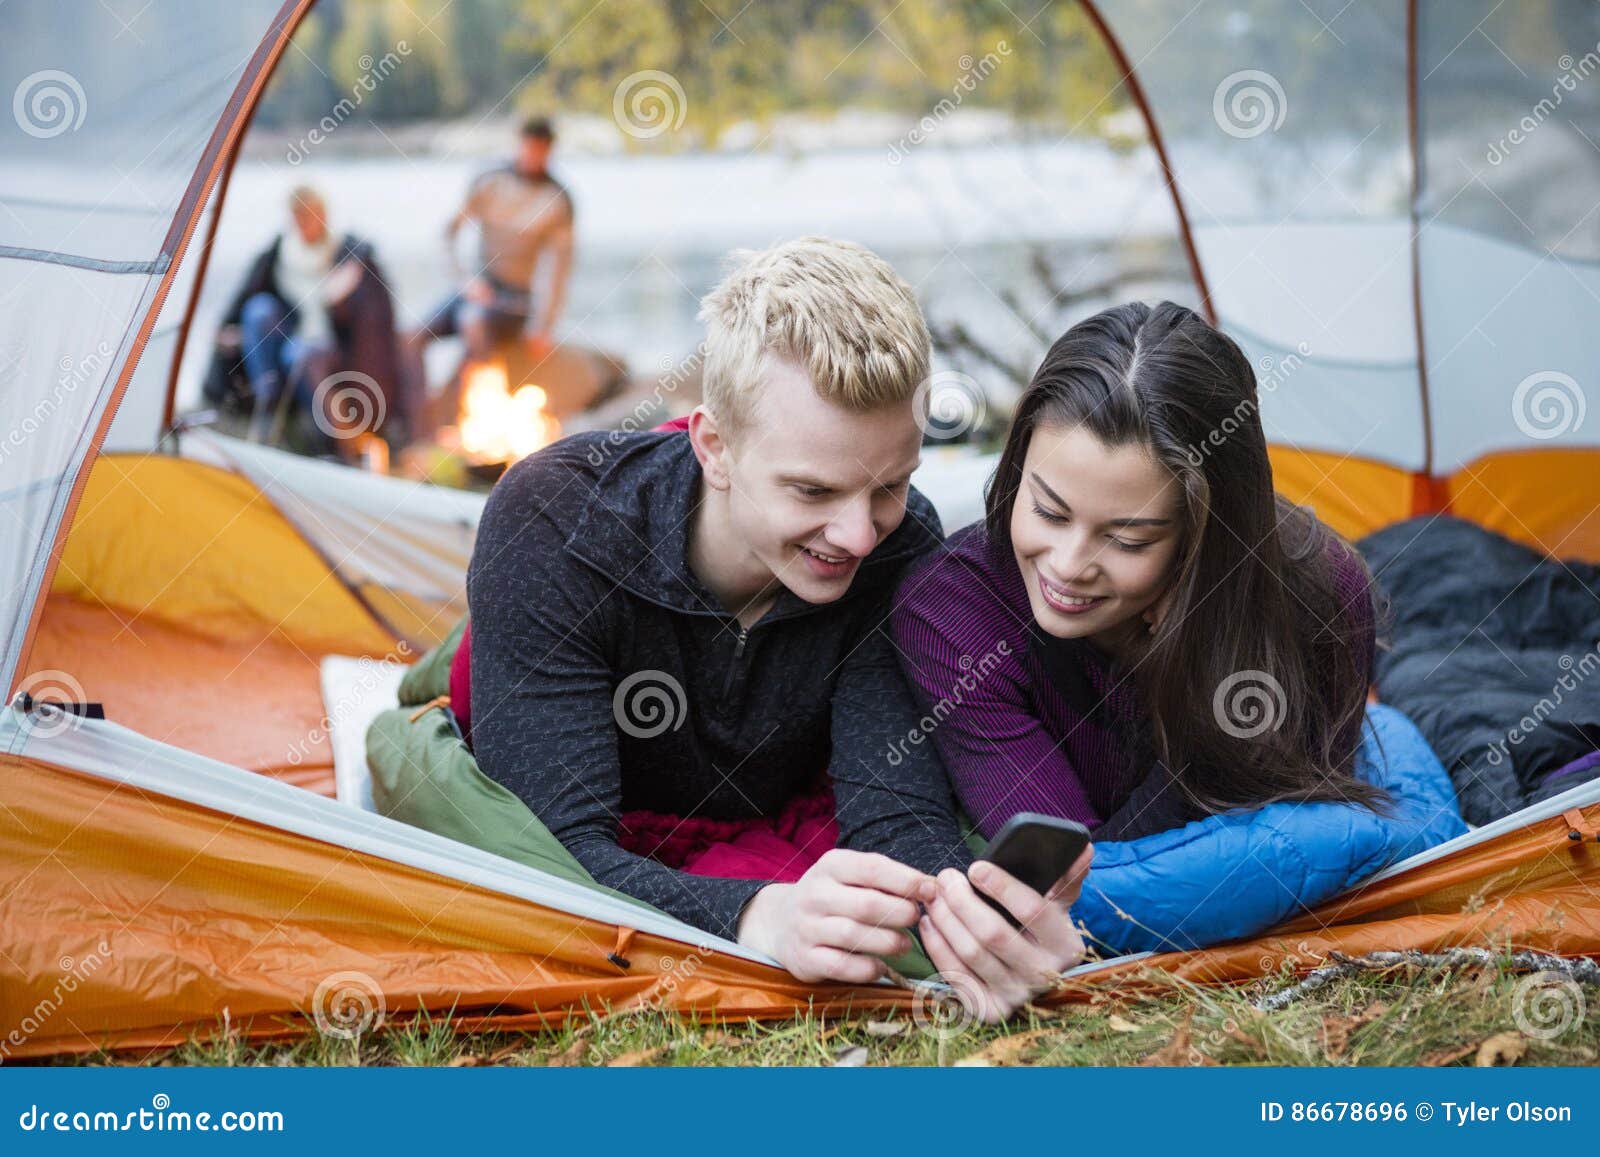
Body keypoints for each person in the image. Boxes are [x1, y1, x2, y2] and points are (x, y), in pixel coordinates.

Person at [376, 239, 1091, 1020]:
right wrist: (758, 916)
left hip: (753, 793)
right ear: (713, 446)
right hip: (526, 698)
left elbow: (893, 812)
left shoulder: (898, 545)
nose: (856, 535)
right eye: (812, 489)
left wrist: (968, 922)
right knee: (491, 843)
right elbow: (558, 849)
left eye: (889, 484)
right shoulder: (554, 517)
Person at [892, 301, 1389, 849]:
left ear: (1203, 538)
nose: (1068, 564)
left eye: (1128, 540)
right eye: (1048, 512)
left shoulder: (1323, 595)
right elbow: (1073, 874)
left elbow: (1306, 841)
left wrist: (1203, 631)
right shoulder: (951, 609)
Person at [202, 186, 402, 450]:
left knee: (303, 356)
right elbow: (246, 297)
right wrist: (229, 330)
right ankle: (268, 408)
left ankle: (337, 442)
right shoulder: (280, 253)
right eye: (299, 217)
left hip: (334, 346)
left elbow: (373, 322)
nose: (306, 223)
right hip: (287, 338)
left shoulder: (350, 254)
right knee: (259, 310)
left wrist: (337, 301)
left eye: (311, 215)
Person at [411, 115, 575, 366]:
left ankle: (479, 396)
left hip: (516, 300)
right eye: (530, 147)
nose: (534, 156)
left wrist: (544, 326)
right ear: (519, 144)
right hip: (477, 286)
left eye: (541, 150)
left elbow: (560, 271)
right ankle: (413, 404)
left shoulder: (558, 200)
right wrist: (465, 281)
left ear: (550, 151)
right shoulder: (489, 181)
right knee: (415, 337)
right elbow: (448, 234)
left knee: (473, 322)